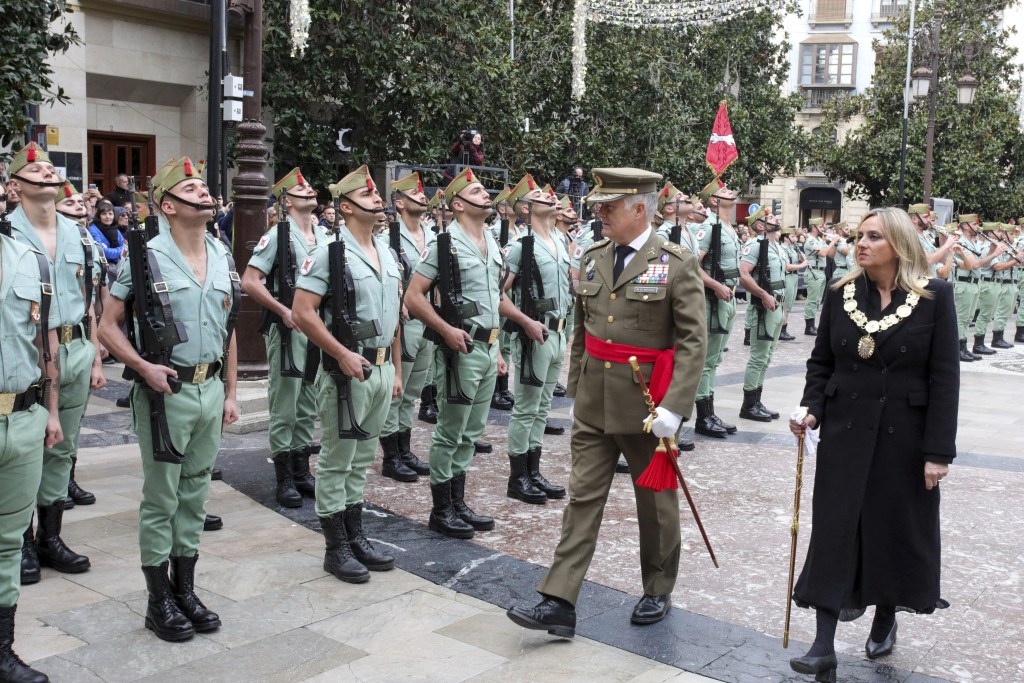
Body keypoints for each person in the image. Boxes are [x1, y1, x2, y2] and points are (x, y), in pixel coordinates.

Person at [507, 167, 706, 636]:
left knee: (655, 505)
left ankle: (657, 587)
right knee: (582, 499)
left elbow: (693, 342)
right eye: (599, 206)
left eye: (609, 207)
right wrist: (577, 386)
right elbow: (585, 328)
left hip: (648, 408)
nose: (599, 214)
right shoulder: (595, 256)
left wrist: (675, 408)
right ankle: (559, 600)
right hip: (595, 403)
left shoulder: (676, 263)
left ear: (640, 209)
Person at [787, 207, 958, 682]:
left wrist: (938, 453)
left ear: (898, 244)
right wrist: (810, 409)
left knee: (892, 528)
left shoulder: (934, 296)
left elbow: (945, 377)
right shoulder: (839, 293)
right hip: (845, 432)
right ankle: (823, 644)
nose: (861, 244)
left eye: (874, 237)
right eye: (859, 236)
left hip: (905, 437)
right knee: (835, 529)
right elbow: (821, 363)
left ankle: (885, 615)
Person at [99, 156, 239, 642]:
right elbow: (108, 325)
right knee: (162, 499)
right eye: (191, 188)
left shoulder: (222, 254)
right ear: (168, 205)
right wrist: (141, 367)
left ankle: (186, 591)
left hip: (210, 389)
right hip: (166, 392)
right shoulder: (147, 257)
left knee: (195, 496)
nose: (204, 192)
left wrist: (231, 392)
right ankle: (158, 601)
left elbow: (228, 330)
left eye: (204, 186)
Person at [405, 168, 544, 539]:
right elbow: (413, 296)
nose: (487, 195)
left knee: (470, 432)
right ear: (458, 204)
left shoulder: (491, 242)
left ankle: (458, 502)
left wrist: (498, 346)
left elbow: (495, 298)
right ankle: (441, 510)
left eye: (485, 190)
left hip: (487, 348)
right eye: (478, 191)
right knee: (450, 431)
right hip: (460, 349)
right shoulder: (444, 245)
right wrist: (445, 329)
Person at [289, 165, 401, 583]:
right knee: (338, 460)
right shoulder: (329, 254)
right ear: (348, 207)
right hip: (346, 372)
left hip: (380, 368)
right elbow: (303, 312)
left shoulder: (387, 253)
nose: (379, 199)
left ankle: (356, 537)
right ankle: (335, 547)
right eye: (369, 195)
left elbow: (394, 318)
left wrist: (395, 369)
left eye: (377, 194)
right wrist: (340, 353)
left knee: (362, 459)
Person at [7, 143, 105, 588]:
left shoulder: (78, 235)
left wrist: (95, 354)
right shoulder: (8, 235)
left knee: (62, 445)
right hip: (27, 353)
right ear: (15, 187)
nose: (48, 172)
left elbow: (89, 301)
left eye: (50, 167)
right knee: (28, 447)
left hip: (75, 347)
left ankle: (50, 537)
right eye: (36, 169)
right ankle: (22, 541)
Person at [0, 177, 62, 683]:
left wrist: (51, 411)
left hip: (22, 417)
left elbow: (45, 345)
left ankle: (2, 651)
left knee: (7, 544)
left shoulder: (29, 259)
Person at [241, 168, 328, 507]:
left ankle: (301, 470)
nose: (309, 190)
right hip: (288, 330)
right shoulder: (278, 235)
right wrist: (282, 310)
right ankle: (284, 477)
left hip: (317, 329)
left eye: (310, 186)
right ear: (286, 201)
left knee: (308, 402)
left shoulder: (323, 235)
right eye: (300, 189)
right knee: (285, 404)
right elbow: (250, 280)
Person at [502, 175, 571, 504]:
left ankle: (534, 471)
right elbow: (498, 294)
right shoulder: (521, 246)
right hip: (535, 333)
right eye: (540, 195)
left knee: (543, 408)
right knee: (526, 408)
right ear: (526, 208)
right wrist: (524, 321)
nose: (550, 197)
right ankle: (518, 478)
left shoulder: (559, 239)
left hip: (558, 333)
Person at [378, 172, 434, 482]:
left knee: (412, 391)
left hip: (428, 319)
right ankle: (391, 456)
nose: (423, 196)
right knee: (397, 389)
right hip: (406, 321)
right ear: (399, 203)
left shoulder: (433, 234)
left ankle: (405, 449)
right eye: (415, 193)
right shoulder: (388, 239)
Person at [691, 178, 741, 439]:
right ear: (713, 200)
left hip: (727, 297)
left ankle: (710, 412)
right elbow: (693, 265)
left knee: (716, 358)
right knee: (707, 360)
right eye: (723, 190)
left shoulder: (729, 227)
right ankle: (703, 416)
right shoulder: (709, 227)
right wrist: (714, 285)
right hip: (713, 299)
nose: (730, 191)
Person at [737, 209, 785, 422]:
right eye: (770, 217)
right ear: (759, 225)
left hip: (777, 306)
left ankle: (757, 401)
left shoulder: (776, 246)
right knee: (758, 357)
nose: (775, 218)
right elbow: (743, 274)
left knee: (767, 357)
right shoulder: (755, 245)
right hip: (762, 307)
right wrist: (763, 294)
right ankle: (748, 405)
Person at [971, 222, 1008, 355]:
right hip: (989, 283)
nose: (1001, 233)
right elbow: (996, 266)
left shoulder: (995, 246)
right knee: (985, 314)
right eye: (998, 231)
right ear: (991, 234)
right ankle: (978, 343)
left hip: (995, 283)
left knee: (989, 314)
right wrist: (1016, 260)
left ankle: (982, 342)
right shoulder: (988, 248)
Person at [802, 218, 842, 335]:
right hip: (813, 271)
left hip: (821, 272)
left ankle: (812, 324)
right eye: (820, 226)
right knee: (812, 300)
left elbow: (831, 254)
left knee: (818, 300)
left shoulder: (819, 239)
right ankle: (809, 326)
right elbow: (823, 253)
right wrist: (832, 242)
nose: (822, 229)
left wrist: (835, 244)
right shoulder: (810, 241)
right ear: (813, 227)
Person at [951, 215, 983, 361]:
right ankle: (958, 349)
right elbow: (974, 264)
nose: (977, 227)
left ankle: (963, 347)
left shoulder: (973, 242)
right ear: (965, 226)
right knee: (961, 318)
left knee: (968, 318)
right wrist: (994, 254)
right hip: (964, 283)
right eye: (974, 224)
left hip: (974, 283)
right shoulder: (962, 242)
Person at [779, 227, 807, 341]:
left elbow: (798, 260)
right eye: (793, 236)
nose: (795, 238)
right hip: (787, 276)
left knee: (789, 304)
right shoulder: (782, 249)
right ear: (786, 238)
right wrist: (801, 265)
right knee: (785, 305)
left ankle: (783, 328)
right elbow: (787, 266)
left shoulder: (792, 248)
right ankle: (781, 330)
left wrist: (801, 257)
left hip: (794, 276)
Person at [89, 200, 125, 285]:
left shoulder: (115, 230)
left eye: (110, 214)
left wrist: (120, 250)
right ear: (99, 216)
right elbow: (102, 251)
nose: (107, 217)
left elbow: (125, 249)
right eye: (104, 214)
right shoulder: (93, 229)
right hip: (103, 267)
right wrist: (119, 251)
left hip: (118, 265)